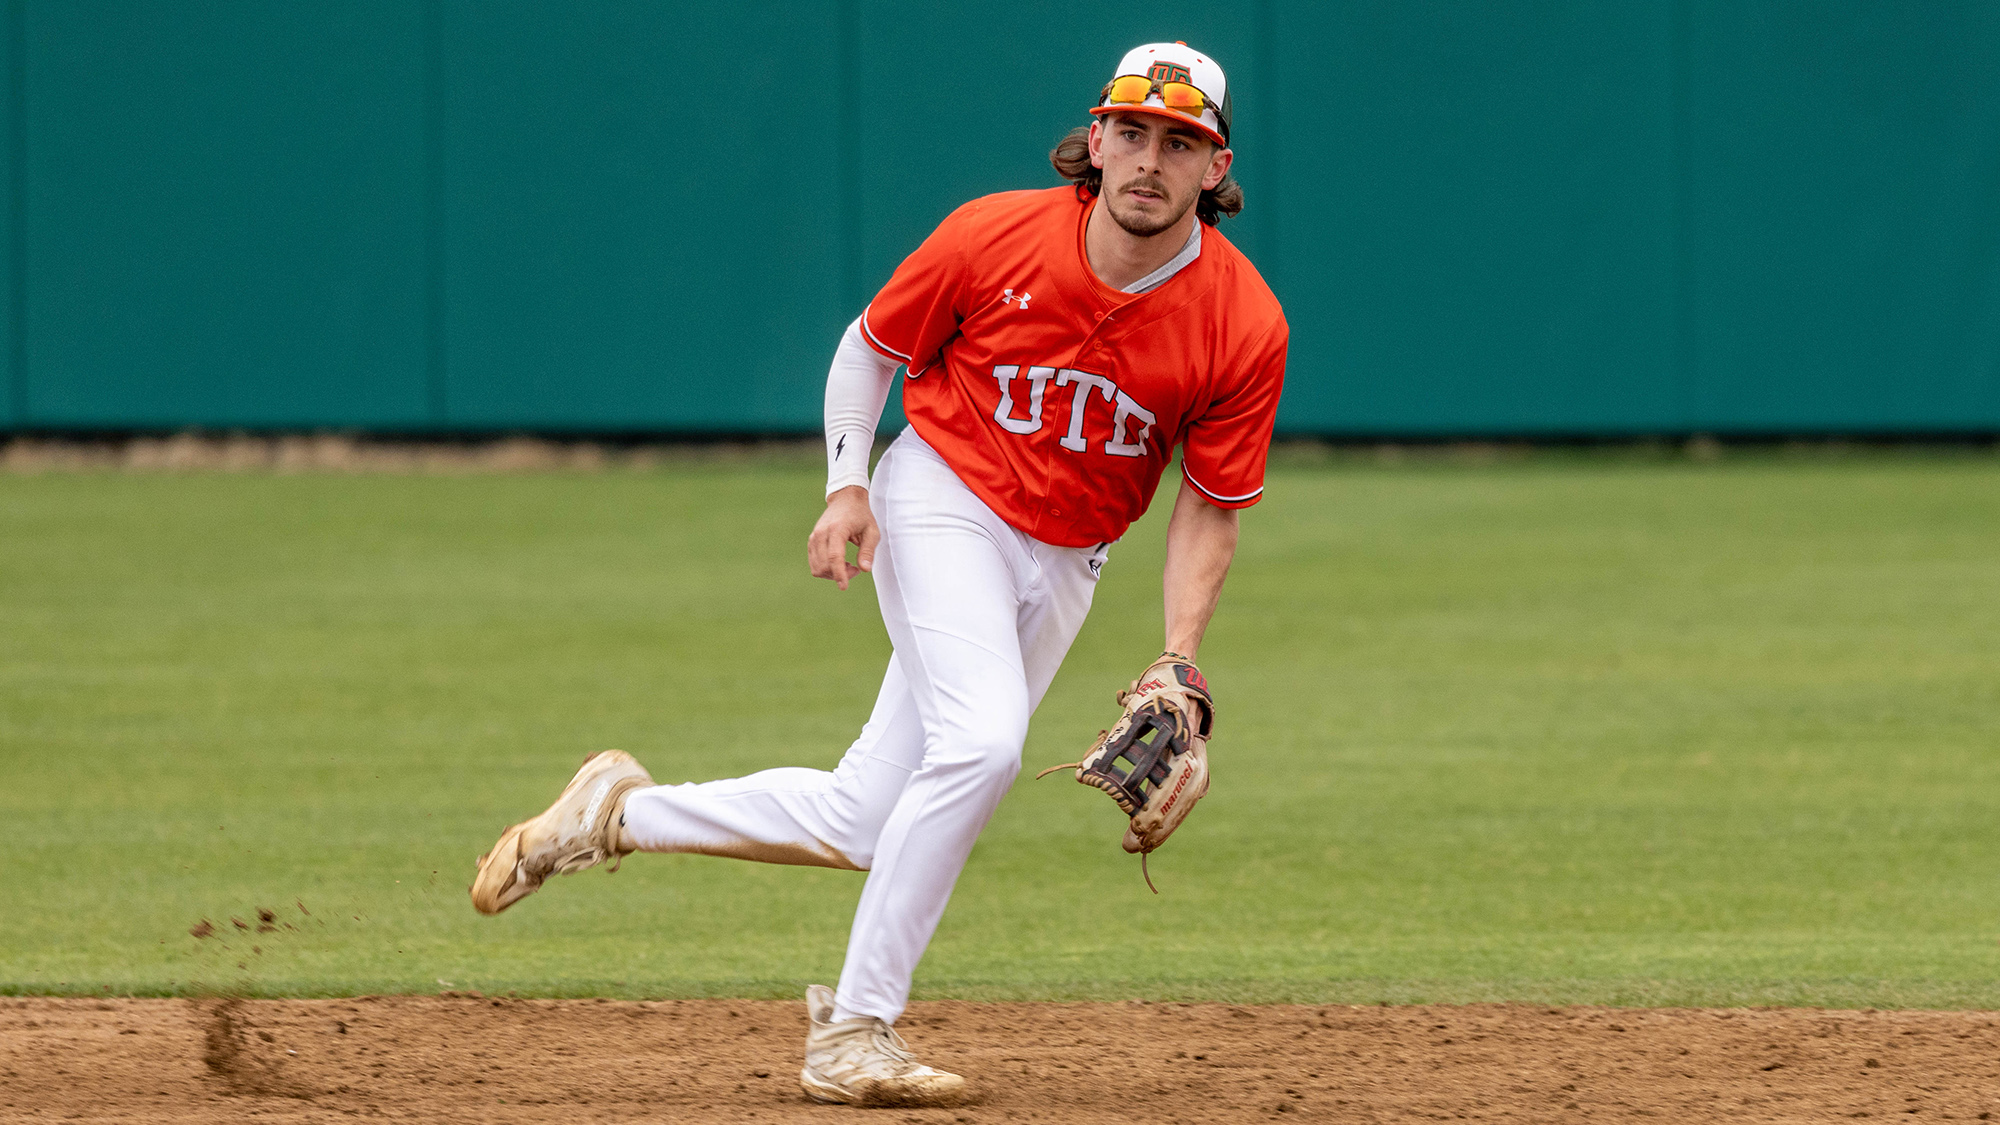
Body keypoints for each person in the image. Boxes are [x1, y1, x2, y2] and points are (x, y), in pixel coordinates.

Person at [469, 41, 1287, 1108]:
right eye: (1129, 132)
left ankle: (613, 815)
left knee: (866, 815)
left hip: (1069, 557)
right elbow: (869, 350)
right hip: (942, 497)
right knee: (983, 743)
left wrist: (1178, 657)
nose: (1147, 160)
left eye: (1177, 144)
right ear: (1093, 140)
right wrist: (846, 484)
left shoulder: (1241, 319)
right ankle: (854, 1028)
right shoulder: (991, 234)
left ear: (1213, 170)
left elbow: (1208, 505)